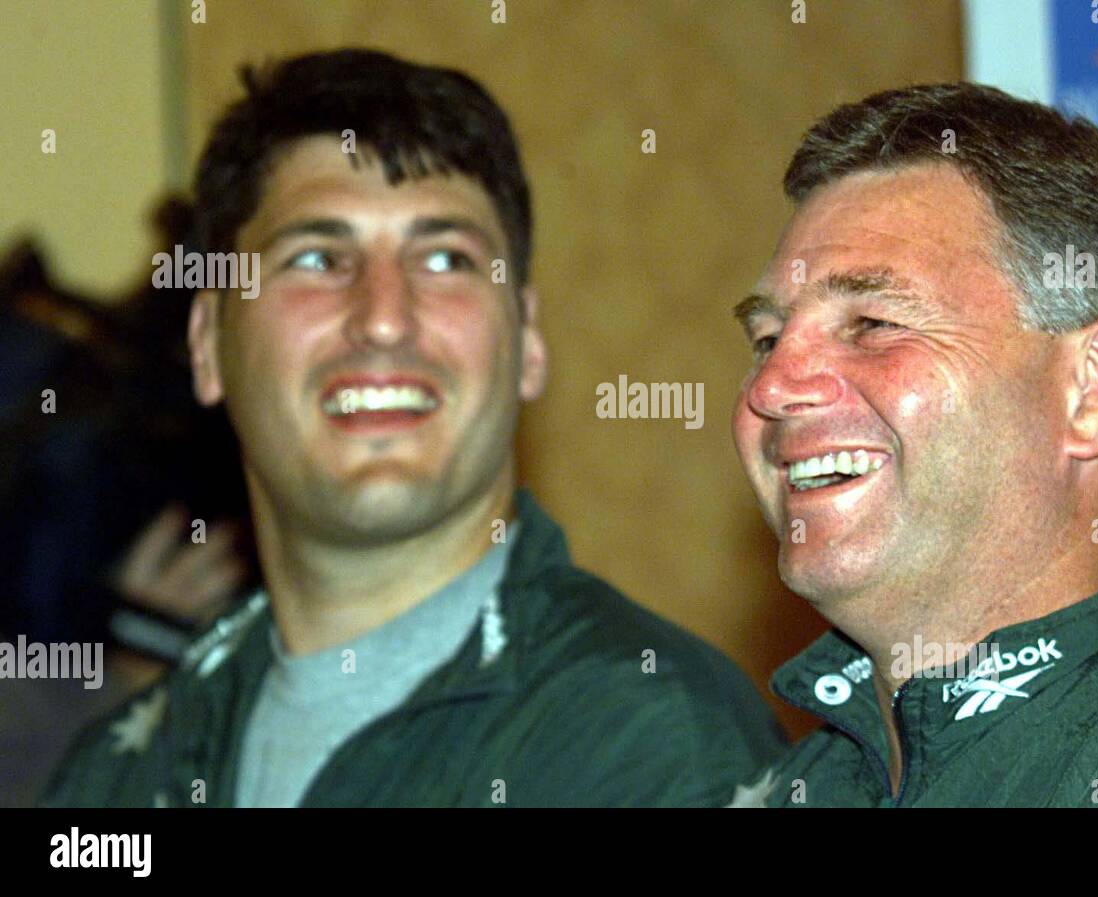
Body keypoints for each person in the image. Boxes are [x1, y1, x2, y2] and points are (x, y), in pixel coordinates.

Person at [43, 49, 785, 807]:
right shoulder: (114, 777)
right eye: (317, 256)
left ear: (527, 339)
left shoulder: (653, 748)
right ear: (207, 344)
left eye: (444, 257)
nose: (385, 318)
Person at [729, 83, 1098, 808]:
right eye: (767, 338)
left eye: (873, 322)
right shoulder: (808, 781)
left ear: (1096, 388)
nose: (772, 386)